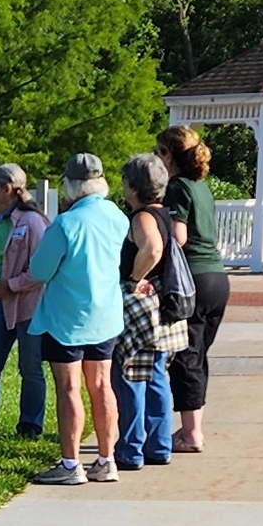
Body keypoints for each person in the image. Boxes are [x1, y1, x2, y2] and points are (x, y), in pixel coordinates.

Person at [26, 153, 128, 485]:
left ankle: (71, 464)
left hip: (66, 318)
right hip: (105, 314)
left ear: (70, 185)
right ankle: (106, 460)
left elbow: (39, 271)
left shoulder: (65, 223)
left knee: (69, 387)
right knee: (102, 385)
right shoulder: (117, 216)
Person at [156, 126, 230, 453]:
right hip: (217, 278)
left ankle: (190, 434)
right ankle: (193, 427)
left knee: (186, 356)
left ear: (169, 155)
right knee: (198, 355)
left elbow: (179, 237)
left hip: (192, 279)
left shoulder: (177, 188)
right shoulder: (201, 187)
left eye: (158, 152)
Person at [112, 153, 187, 470]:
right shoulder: (165, 214)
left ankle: (131, 449)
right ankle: (159, 445)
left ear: (134, 186)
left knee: (130, 375)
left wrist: (133, 280)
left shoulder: (142, 217)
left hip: (142, 308)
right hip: (162, 304)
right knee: (156, 377)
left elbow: (152, 249)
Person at [0, 164, 49, 438]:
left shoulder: (33, 222)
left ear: (7, 189)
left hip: (30, 306)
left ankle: (30, 426)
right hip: (2, 305)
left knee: (30, 368)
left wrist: (11, 286)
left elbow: (42, 270)